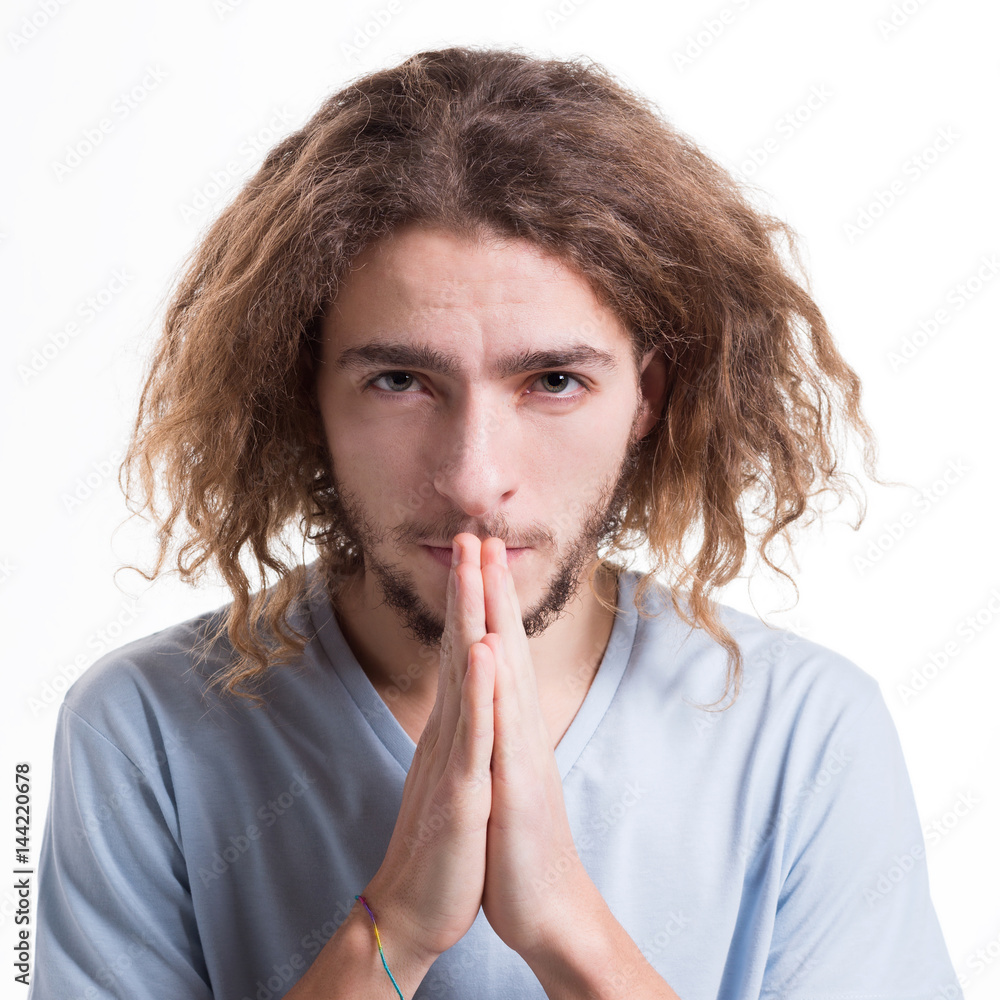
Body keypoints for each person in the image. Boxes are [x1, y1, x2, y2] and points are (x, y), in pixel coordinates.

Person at [30, 45, 963, 1000]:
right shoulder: (141, 728)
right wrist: (389, 931)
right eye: (399, 381)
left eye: (553, 381)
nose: (475, 481)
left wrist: (565, 925)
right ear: (305, 395)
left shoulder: (807, 730)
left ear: (648, 397)